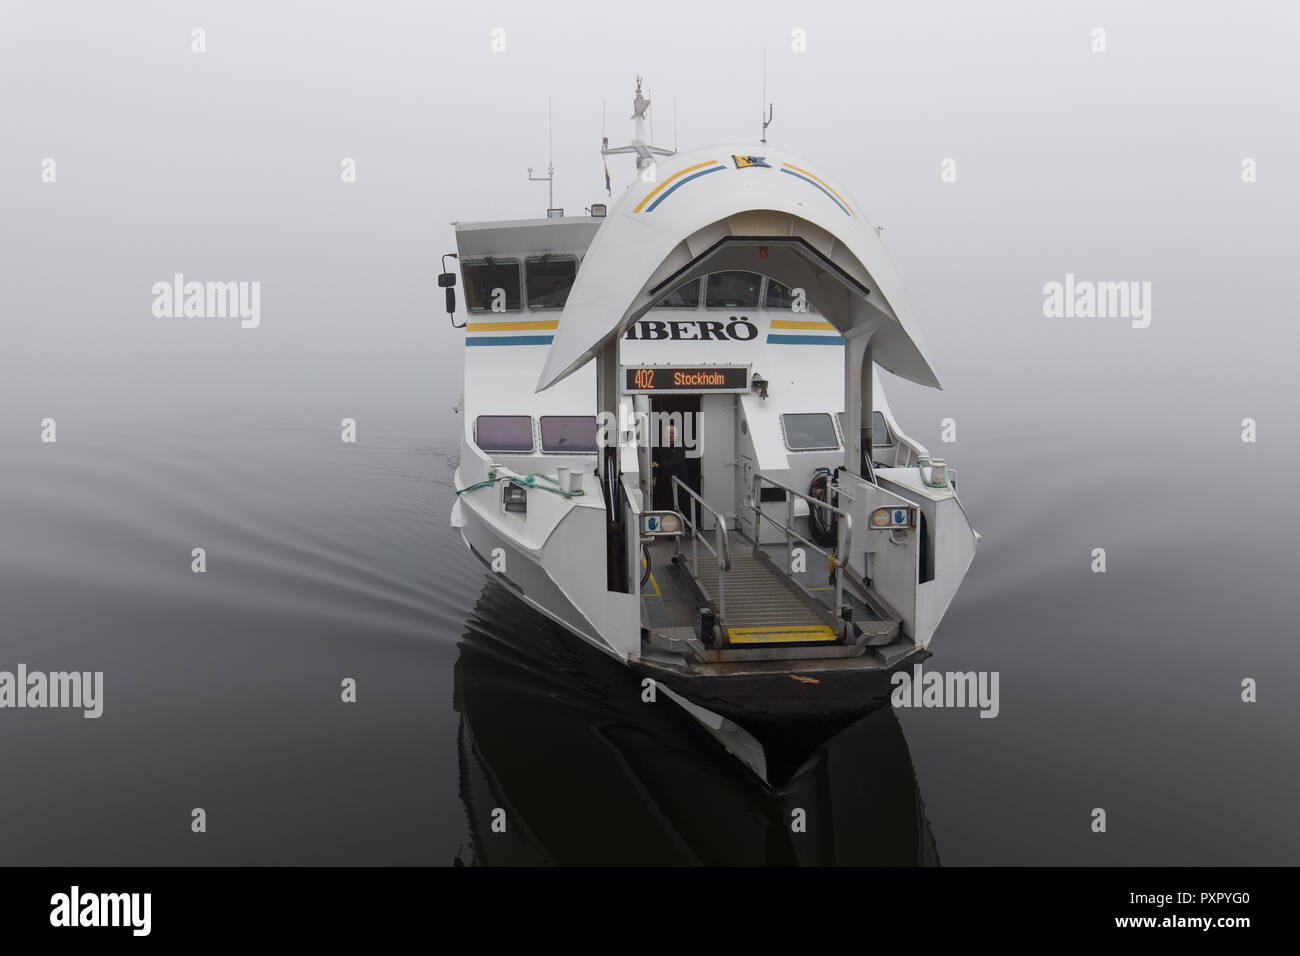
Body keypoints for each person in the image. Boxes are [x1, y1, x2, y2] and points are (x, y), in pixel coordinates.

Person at [651, 421, 687, 510]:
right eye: (668, 433)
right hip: (662, 484)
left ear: (677, 435)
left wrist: (660, 465)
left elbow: (675, 461)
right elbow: (653, 462)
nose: (671, 435)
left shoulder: (680, 447)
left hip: (677, 485)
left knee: (677, 507)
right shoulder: (658, 447)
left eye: (673, 433)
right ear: (664, 434)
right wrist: (654, 475)